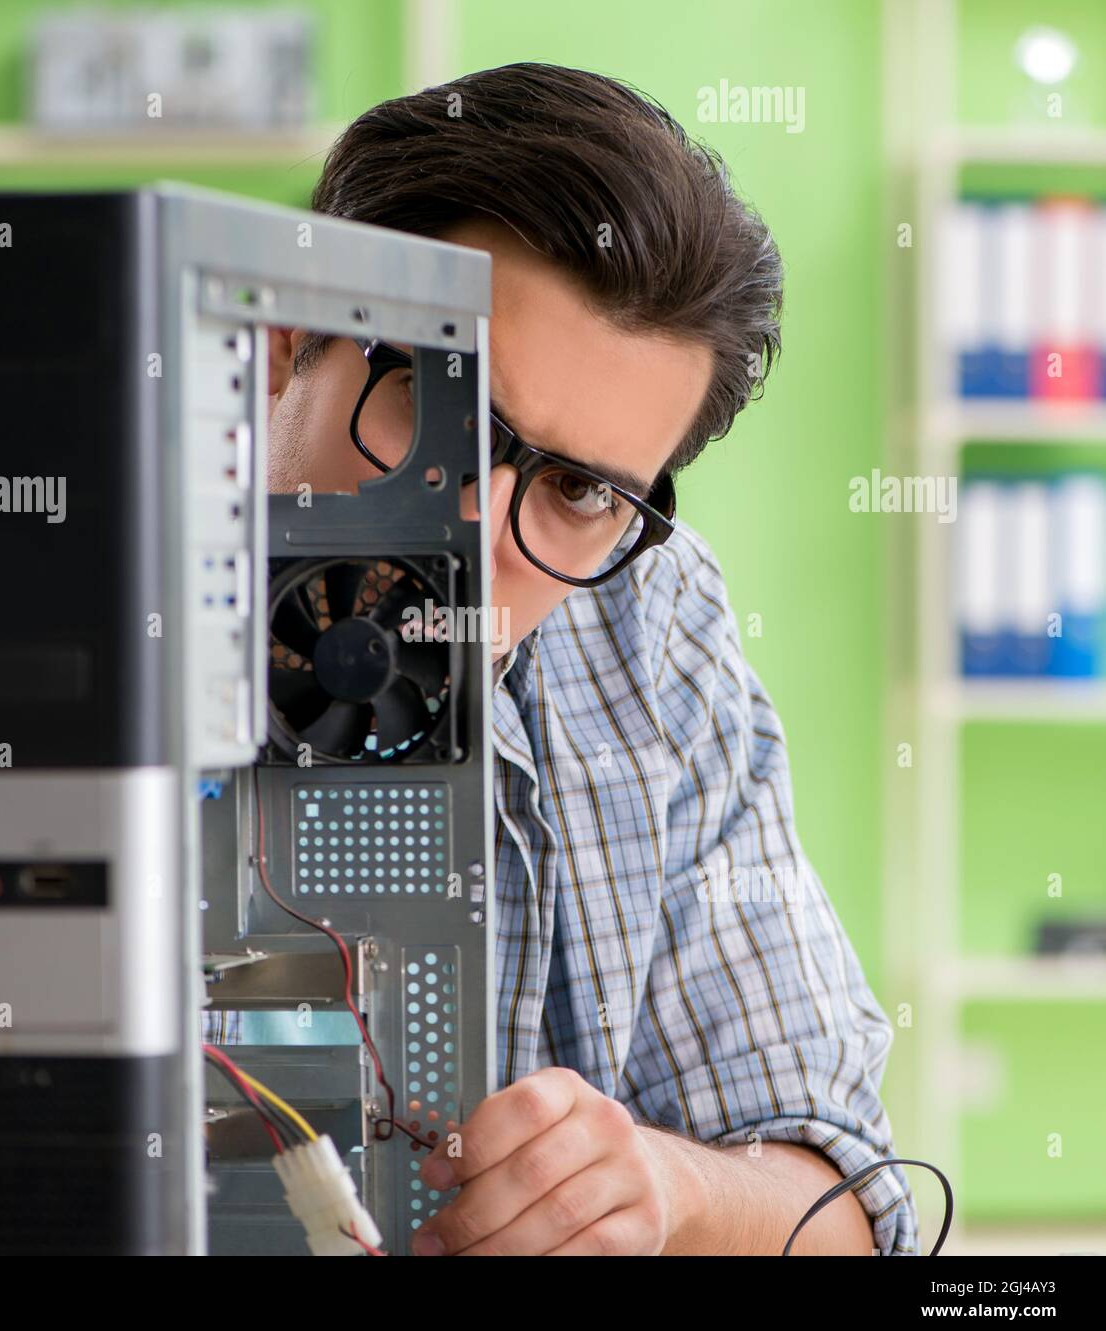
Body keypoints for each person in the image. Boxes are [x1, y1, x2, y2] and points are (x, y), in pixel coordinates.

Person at [258, 62, 917, 1256]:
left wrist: (669, 1191)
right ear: (286, 342)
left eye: (572, 489)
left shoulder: (646, 614)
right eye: (434, 403)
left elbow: (849, 1212)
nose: (465, 529)